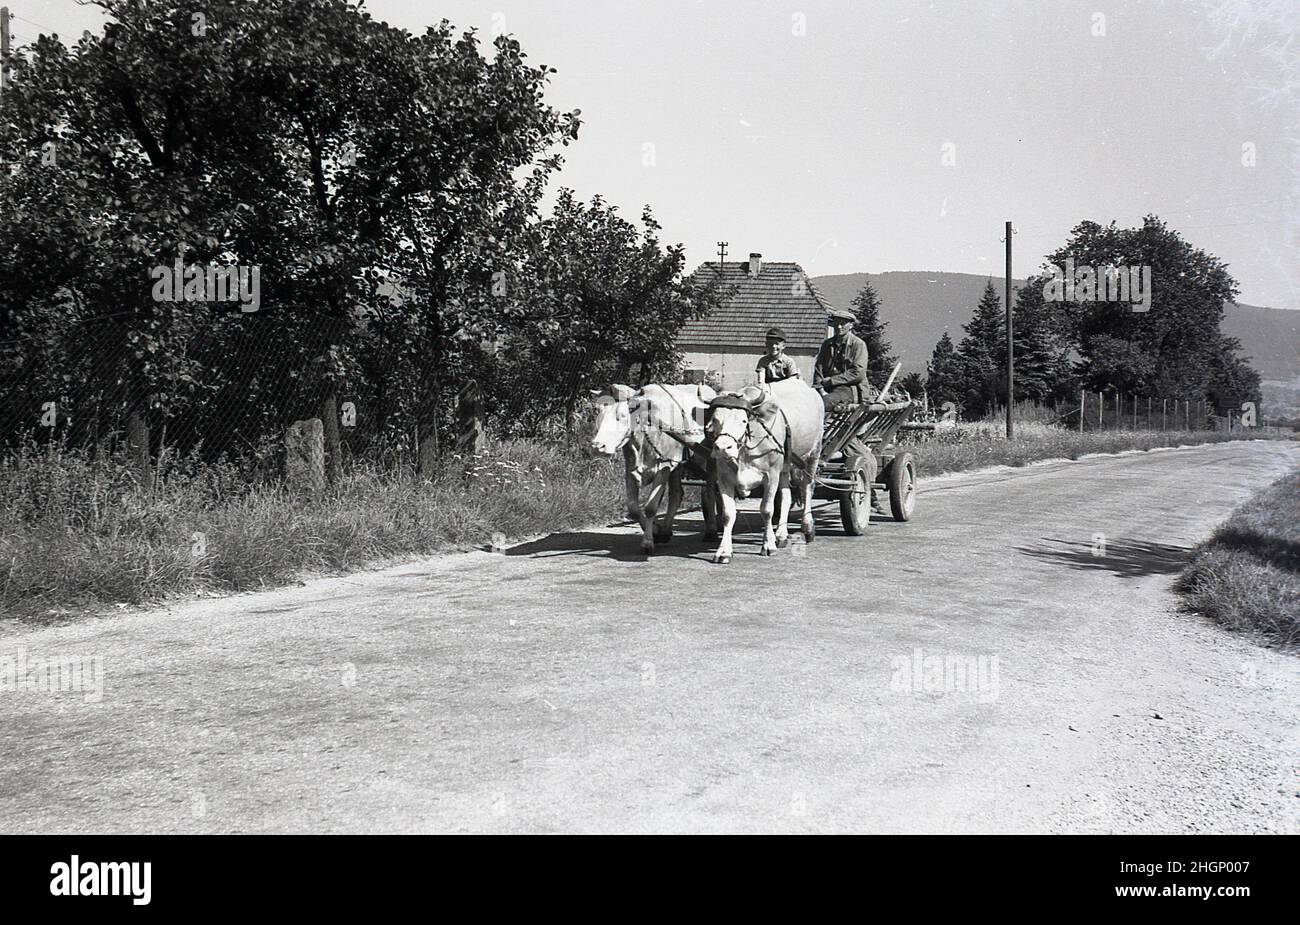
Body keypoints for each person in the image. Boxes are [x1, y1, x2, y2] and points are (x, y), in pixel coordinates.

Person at [813, 308, 869, 409]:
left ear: (851, 325)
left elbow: (858, 373)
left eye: (843, 324)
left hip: (849, 388)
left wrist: (831, 381)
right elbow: (818, 369)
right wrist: (821, 389)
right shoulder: (827, 344)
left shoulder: (858, 344)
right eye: (836, 323)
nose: (839, 327)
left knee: (824, 403)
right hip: (826, 388)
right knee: (805, 399)